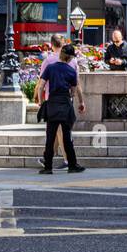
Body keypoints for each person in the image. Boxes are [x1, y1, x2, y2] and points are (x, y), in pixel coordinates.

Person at [35, 44, 86, 175]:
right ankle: (72, 165)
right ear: (69, 58)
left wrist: (41, 102)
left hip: (52, 103)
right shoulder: (71, 71)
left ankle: (47, 167)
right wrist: (81, 102)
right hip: (65, 103)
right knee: (66, 136)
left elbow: (41, 86)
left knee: (50, 137)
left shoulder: (50, 68)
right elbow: (74, 90)